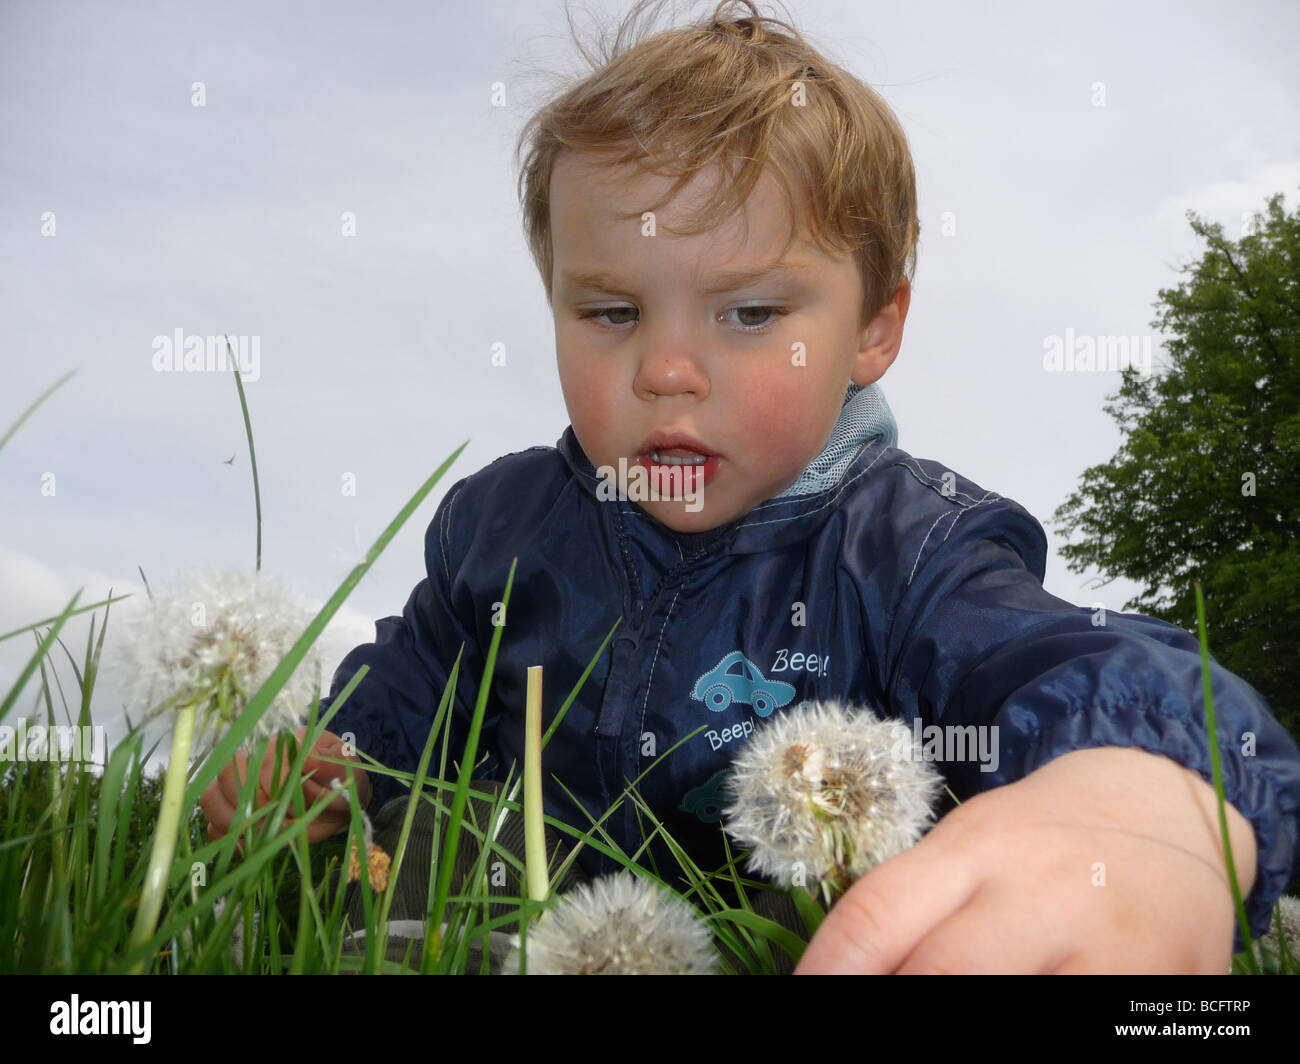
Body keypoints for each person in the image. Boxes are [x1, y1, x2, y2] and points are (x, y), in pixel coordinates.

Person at [200, 0, 1300, 973]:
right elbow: (407, 699)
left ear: (874, 330)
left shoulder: (909, 549)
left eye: (749, 314)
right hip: (514, 929)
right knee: (408, 867)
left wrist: (1144, 801)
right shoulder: (500, 528)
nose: (665, 370)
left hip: (781, 938)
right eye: (612, 312)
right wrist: (328, 761)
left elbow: (1079, 664)